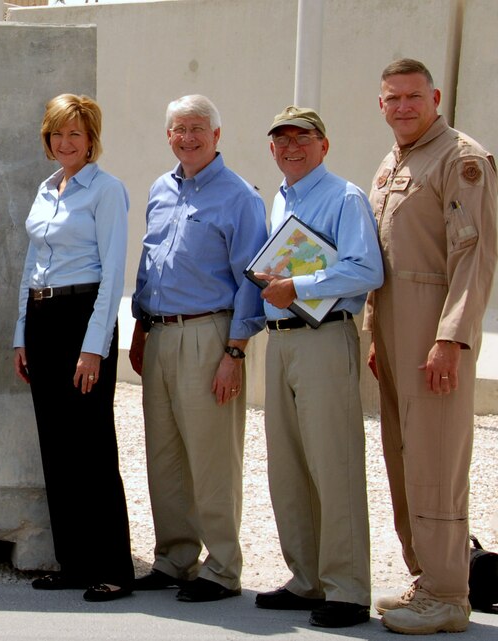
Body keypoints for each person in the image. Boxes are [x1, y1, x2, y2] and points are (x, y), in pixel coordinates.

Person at [365, 58, 497, 635]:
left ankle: (448, 593)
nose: (403, 107)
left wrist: (452, 338)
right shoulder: (394, 161)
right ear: (381, 105)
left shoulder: (459, 159)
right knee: (403, 456)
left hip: (433, 329)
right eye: (392, 98)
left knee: (437, 461)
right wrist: (374, 328)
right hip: (393, 331)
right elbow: (385, 257)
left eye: (413, 97)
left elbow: (475, 256)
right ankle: (425, 575)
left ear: (435, 97)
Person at [128, 95, 265, 603]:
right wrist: (141, 328)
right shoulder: (159, 191)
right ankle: (175, 558)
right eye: (179, 129)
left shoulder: (239, 197)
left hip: (211, 335)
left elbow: (251, 280)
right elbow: (148, 264)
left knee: (211, 456)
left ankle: (223, 567)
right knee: (164, 454)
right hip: (160, 333)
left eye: (198, 129)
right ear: (168, 136)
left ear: (217, 135)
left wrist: (235, 352)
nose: (188, 138)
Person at [252, 106, 383, 628]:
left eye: (302, 138)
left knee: (335, 464)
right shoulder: (282, 197)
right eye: (281, 139)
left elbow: (367, 268)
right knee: (289, 466)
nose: (291, 147)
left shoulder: (344, 197)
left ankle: (347, 590)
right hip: (281, 341)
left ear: (323, 145)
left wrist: (299, 287)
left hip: (324, 338)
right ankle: (306, 579)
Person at [13, 93, 133, 602]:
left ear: (92, 141)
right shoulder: (46, 190)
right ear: (48, 138)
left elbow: (112, 275)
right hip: (43, 321)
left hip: (82, 319)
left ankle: (112, 568)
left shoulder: (106, 191)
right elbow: (31, 267)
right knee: (57, 448)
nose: (66, 142)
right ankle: (74, 562)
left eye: (76, 135)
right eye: (59, 133)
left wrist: (94, 349)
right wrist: (21, 334)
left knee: (92, 448)